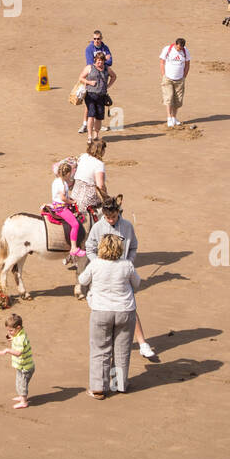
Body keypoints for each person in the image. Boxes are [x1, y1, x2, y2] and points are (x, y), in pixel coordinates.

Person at [84, 200, 158, 361]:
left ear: (119, 212)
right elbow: (89, 248)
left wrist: (128, 263)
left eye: (114, 216)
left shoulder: (127, 226)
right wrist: (98, 263)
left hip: (121, 274)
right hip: (102, 275)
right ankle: (107, 348)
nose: (111, 220)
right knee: (102, 312)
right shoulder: (97, 228)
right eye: (108, 217)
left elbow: (133, 247)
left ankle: (142, 343)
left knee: (129, 306)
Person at [79, 234, 141, 398]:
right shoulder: (126, 264)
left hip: (101, 310)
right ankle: (119, 384)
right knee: (122, 349)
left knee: (100, 349)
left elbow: (82, 280)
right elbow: (137, 283)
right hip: (125, 311)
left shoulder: (95, 264)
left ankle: (98, 387)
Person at [49, 159, 84, 259]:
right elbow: (63, 198)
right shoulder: (62, 184)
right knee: (75, 224)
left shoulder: (56, 181)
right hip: (61, 208)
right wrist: (72, 202)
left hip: (55, 205)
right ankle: (73, 247)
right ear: (67, 173)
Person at [0, 313, 35, 409]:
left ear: (18, 328)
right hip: (22, 366)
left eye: (11, 330)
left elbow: (18, 353)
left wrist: (7, 350)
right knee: (18, 382)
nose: (9, 332)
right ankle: (21, 396)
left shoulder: (20, 338)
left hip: (25, 367)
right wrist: (13, 338)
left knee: (22, 383)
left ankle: (23, 401)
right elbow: (17, 338)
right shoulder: (20, 333)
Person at [78, 52, 115, 143]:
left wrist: (108, 86)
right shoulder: (89, 67)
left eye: (102, 61)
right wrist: (90, 83)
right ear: (95, 60)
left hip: (101, 95)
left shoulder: (107, 69)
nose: (100, 63)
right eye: (98, 61)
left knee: (99, 117)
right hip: (90, 95)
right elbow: (81, 78)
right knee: (91, 115)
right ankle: (89, 136)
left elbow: (114, 76)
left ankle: (96, 134)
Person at [70, 138, 107, 216]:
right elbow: (100, 185)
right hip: (88, 200)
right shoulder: (99, 164)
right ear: (101, 150)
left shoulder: (83, 156)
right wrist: (106, 197)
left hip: (74, 196)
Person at [159, 36, 190, 128]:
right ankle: (169, 118)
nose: (179, 49)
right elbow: (162, 62)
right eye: (178, 48)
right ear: (175, 45)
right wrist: (163, 74)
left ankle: (174, 117)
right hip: (168, 78)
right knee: (169, 98)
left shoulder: (185, 51)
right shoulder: (167, 49)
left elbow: (188, 64)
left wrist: (184, 76)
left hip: (180, 79)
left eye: (181, 48)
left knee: (178, 100)